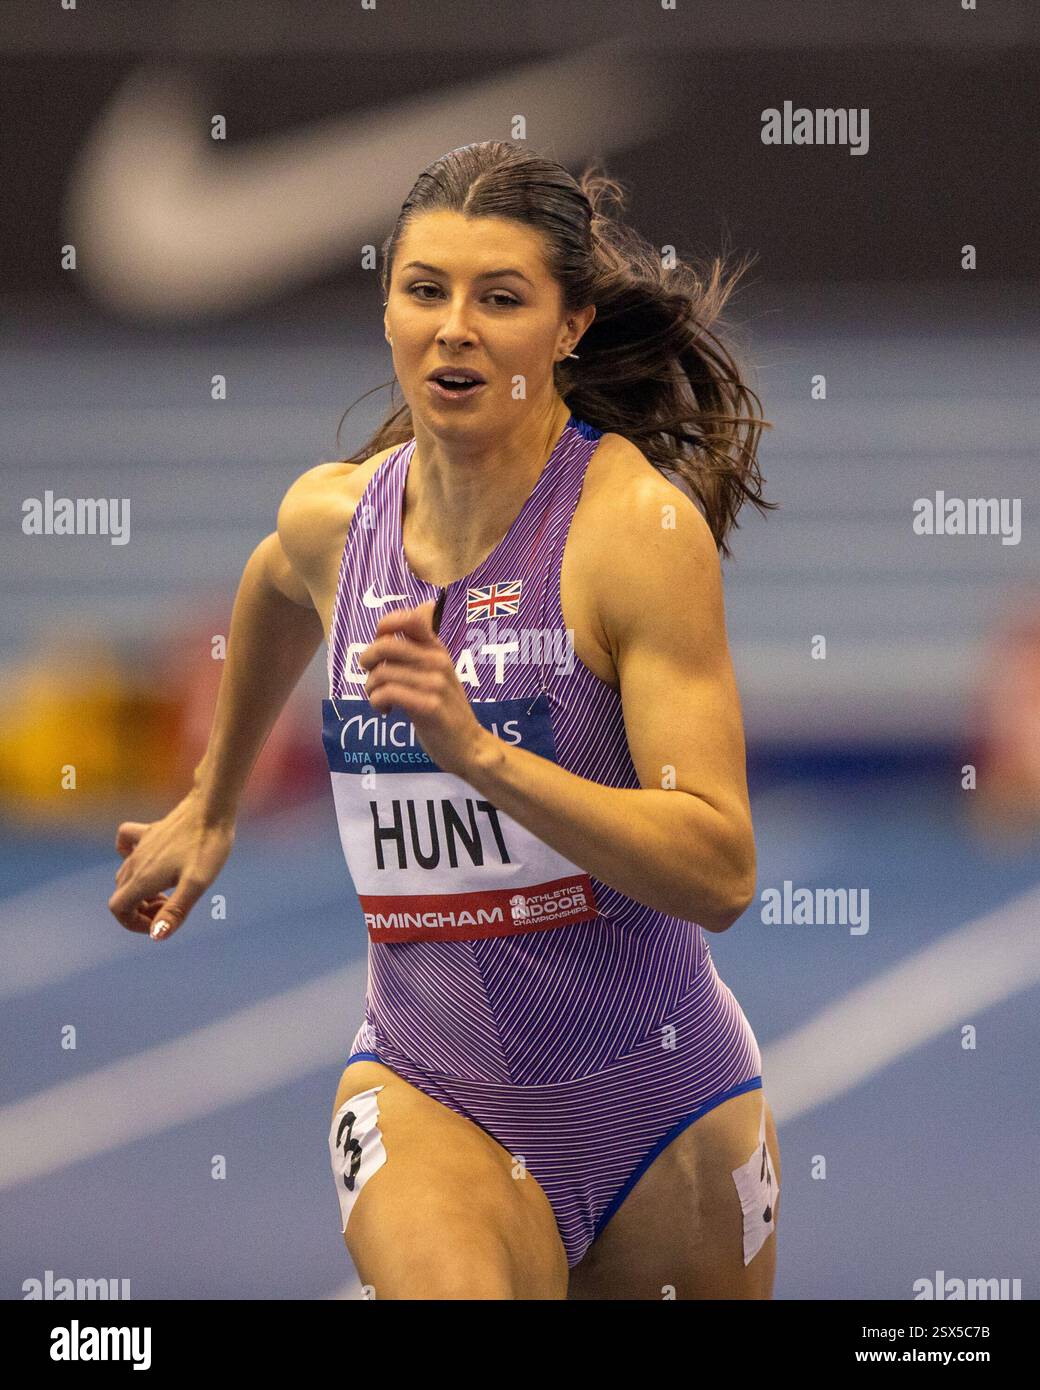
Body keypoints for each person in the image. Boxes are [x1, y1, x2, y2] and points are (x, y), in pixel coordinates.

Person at [109, 141, 781, 1301]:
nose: (453, 328)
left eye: (499, 298)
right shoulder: (334, 521)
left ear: (568, 326)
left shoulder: (631, 536)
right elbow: (275, 584)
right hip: (430, 1090)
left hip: (666, 1102)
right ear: (387, 309)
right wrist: (211, 805)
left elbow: (717, 867)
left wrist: (479, 755)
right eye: (425, 290)